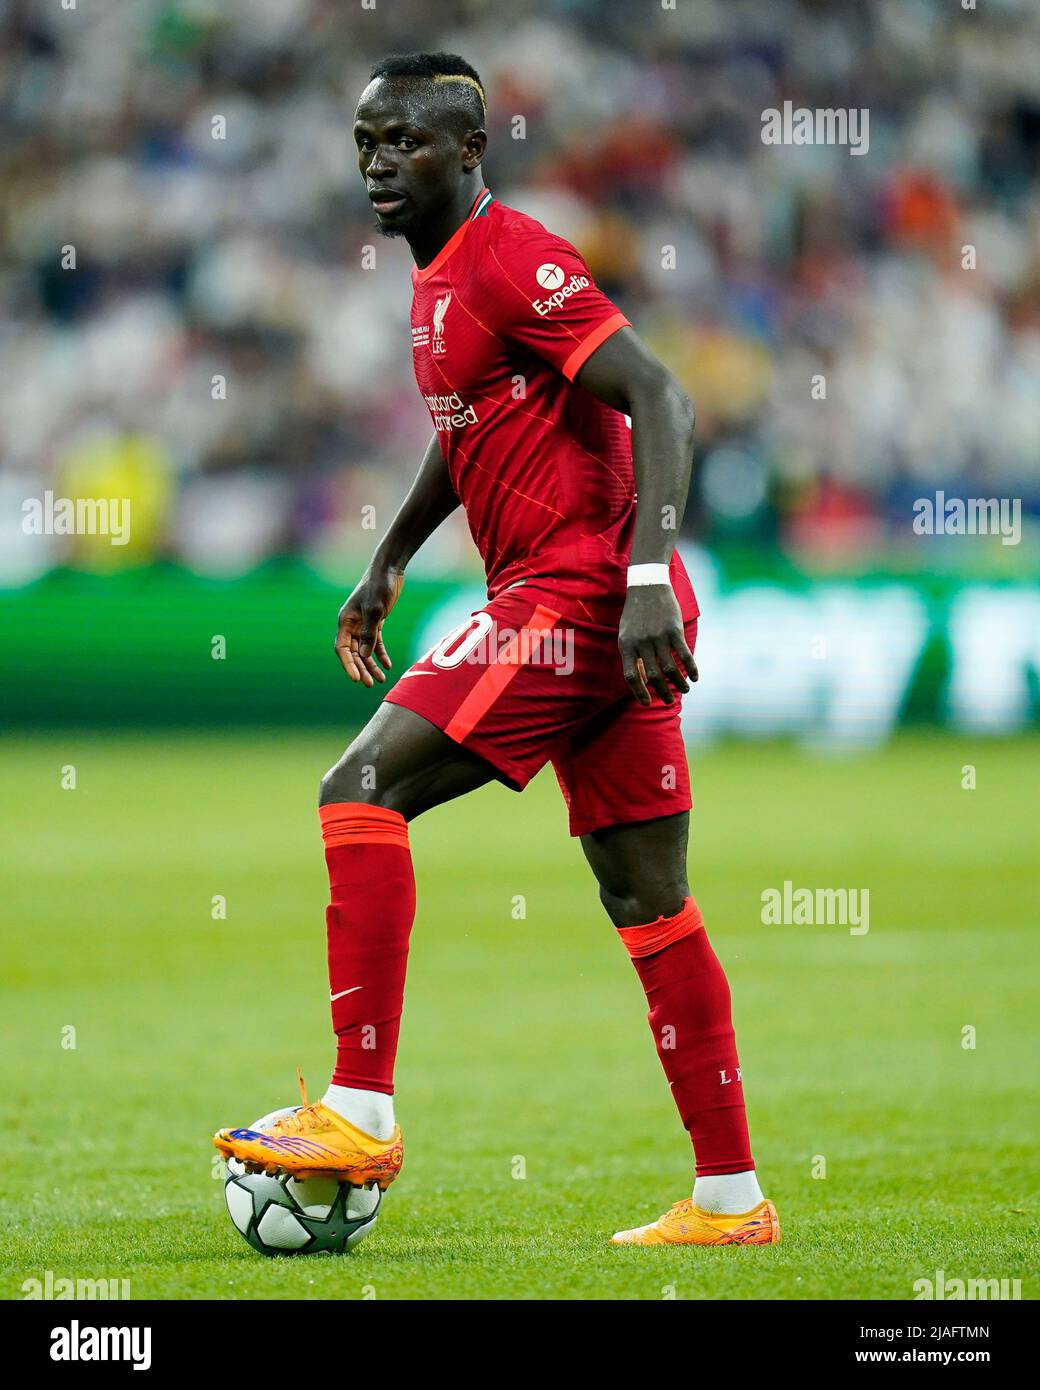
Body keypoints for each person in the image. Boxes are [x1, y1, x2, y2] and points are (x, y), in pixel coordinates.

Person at [214, 51, 779, 1247]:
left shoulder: (513, 256)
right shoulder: (437, 282)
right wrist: (389, 557)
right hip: (586, 592)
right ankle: (729, 1197)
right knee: (648, 898)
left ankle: (359, 1108)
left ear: (469, 151)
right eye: (365, 141)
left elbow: (661, 397)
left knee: (360, 789)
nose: (377, 162)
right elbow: (462, 427)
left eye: (404, 142)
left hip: (581, 589)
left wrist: (635, 580)